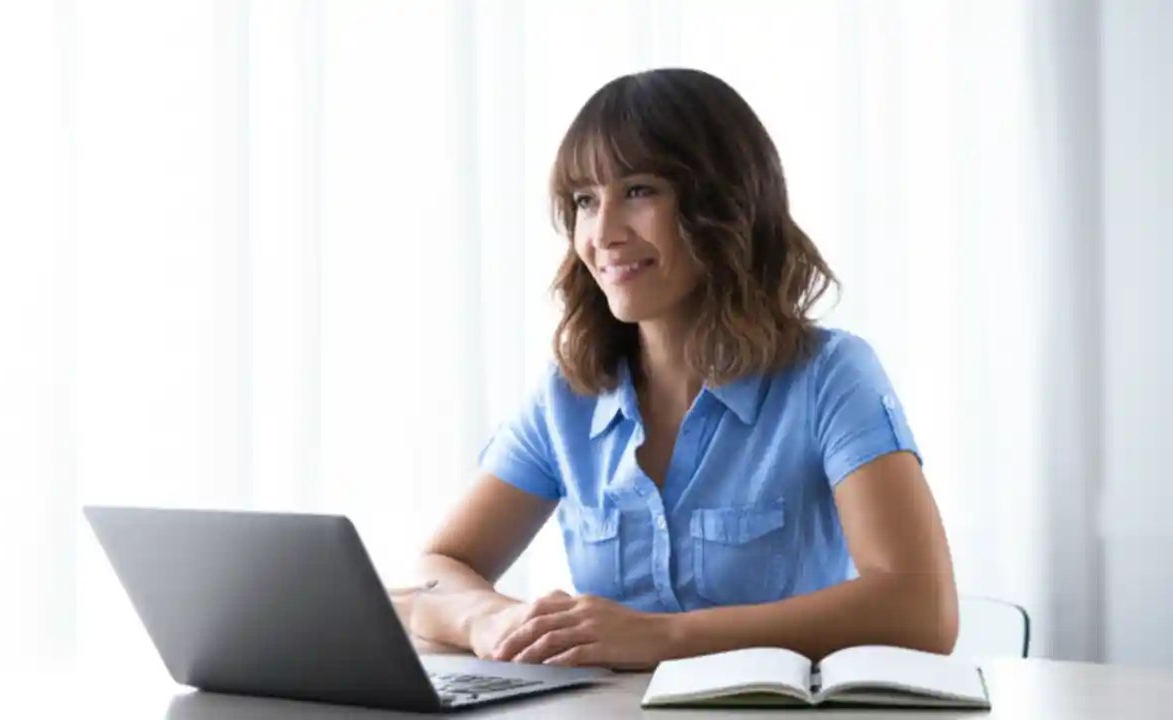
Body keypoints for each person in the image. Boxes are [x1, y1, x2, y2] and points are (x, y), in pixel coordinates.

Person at [392, 68, 957, 671]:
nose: (603, 232)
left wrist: (662, 638)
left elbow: (920, 609)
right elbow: (432, 577)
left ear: (723, 203)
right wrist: (494, 618)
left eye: (638, 191)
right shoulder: (568, 397)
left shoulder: (830, 375)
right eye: (585, 201)